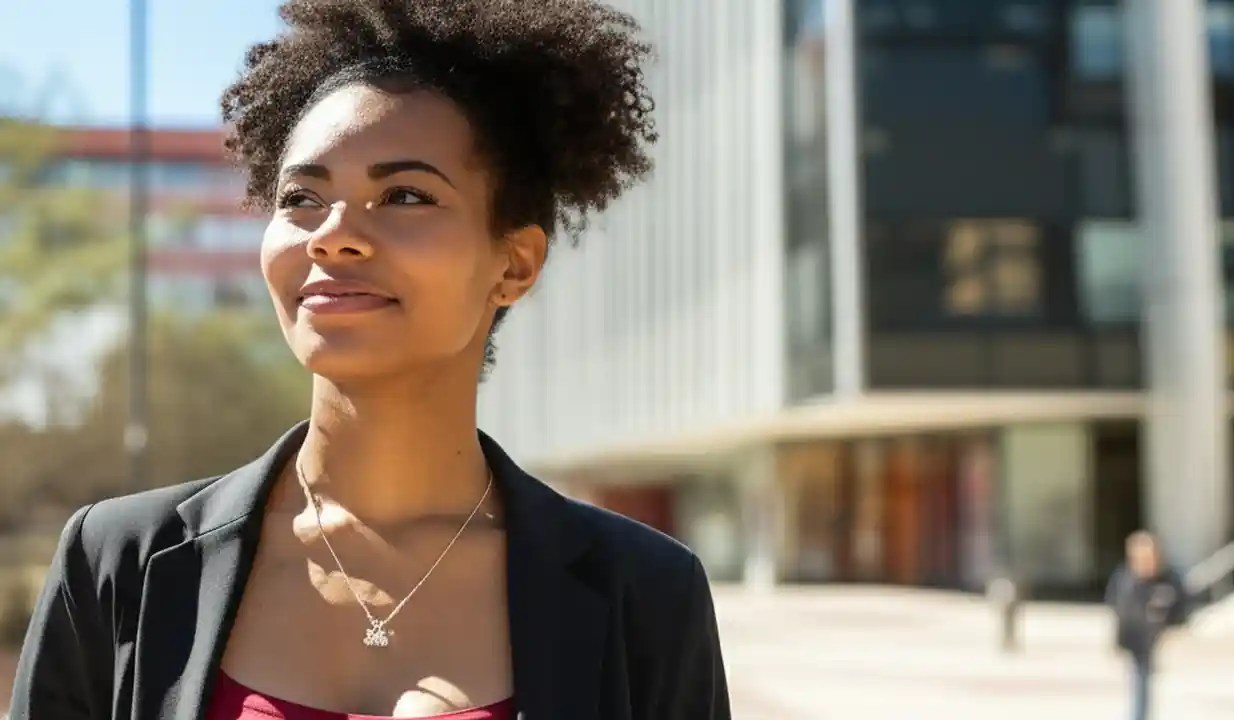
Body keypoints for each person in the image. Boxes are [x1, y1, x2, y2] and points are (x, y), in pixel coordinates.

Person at [9, 1, 731, 718]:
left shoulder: (645, 594)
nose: (332, 236)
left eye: (404, 195)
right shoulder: (119, 565)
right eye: (302, 197)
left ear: (513, 263)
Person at [1105, 531, 1189, 720]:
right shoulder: (1126, 580)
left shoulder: (1169, 580)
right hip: (1137, 640)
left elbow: (1181, 608)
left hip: (1163, 639)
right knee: (1140, 681)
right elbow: (1118, 606)